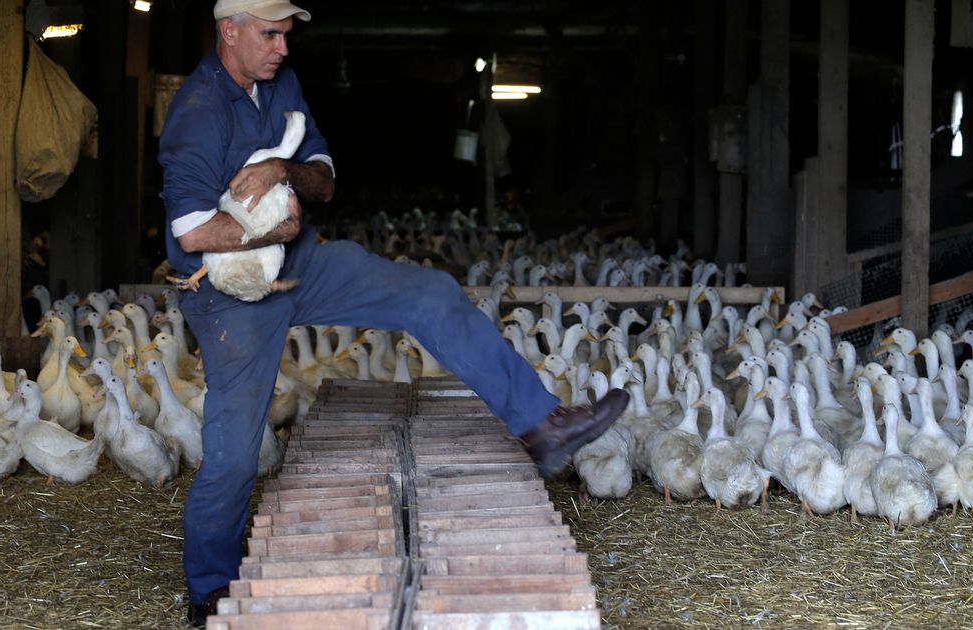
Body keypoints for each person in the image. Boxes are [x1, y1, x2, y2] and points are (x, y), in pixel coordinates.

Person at [157, 0, 629, 625]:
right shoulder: (197, 112)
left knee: (429, 292)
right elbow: (191, 233)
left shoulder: (279, 83)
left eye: (287, 35)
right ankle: (210, 589)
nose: (283, 48)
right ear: (230, 32)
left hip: (302, 264)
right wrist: (275, 227)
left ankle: (542, 425)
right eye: (270, 35)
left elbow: (323, 176)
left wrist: (282, 171)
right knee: (236, 453)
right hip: (231, 294)